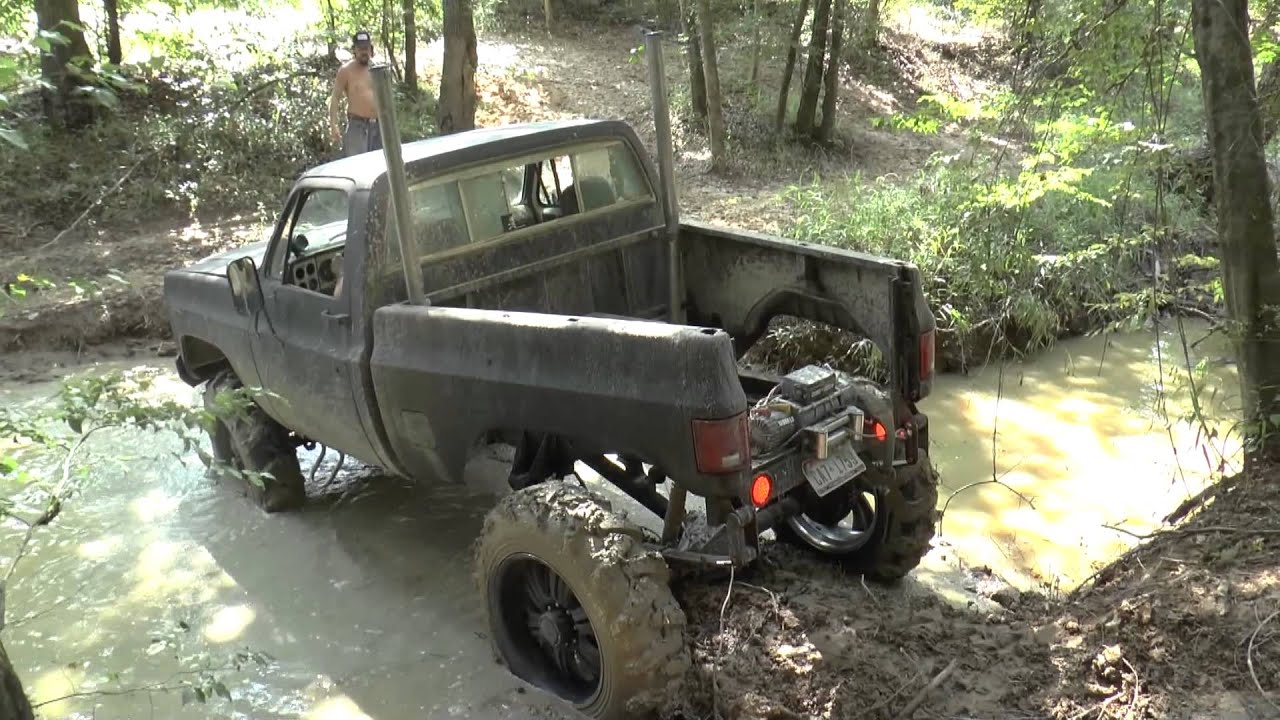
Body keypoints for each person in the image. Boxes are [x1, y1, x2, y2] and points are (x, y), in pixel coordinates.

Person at [329, 31, 383, 158]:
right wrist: (333, 124)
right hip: (358, 126)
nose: (364, 52)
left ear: (371, 49)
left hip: (379, 126)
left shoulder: (378, 69)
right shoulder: (346, 70)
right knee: (357, 165)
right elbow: (335, 97)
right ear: (354, 50)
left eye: (367, 48)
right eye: (361, 49)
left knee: (379, 165)